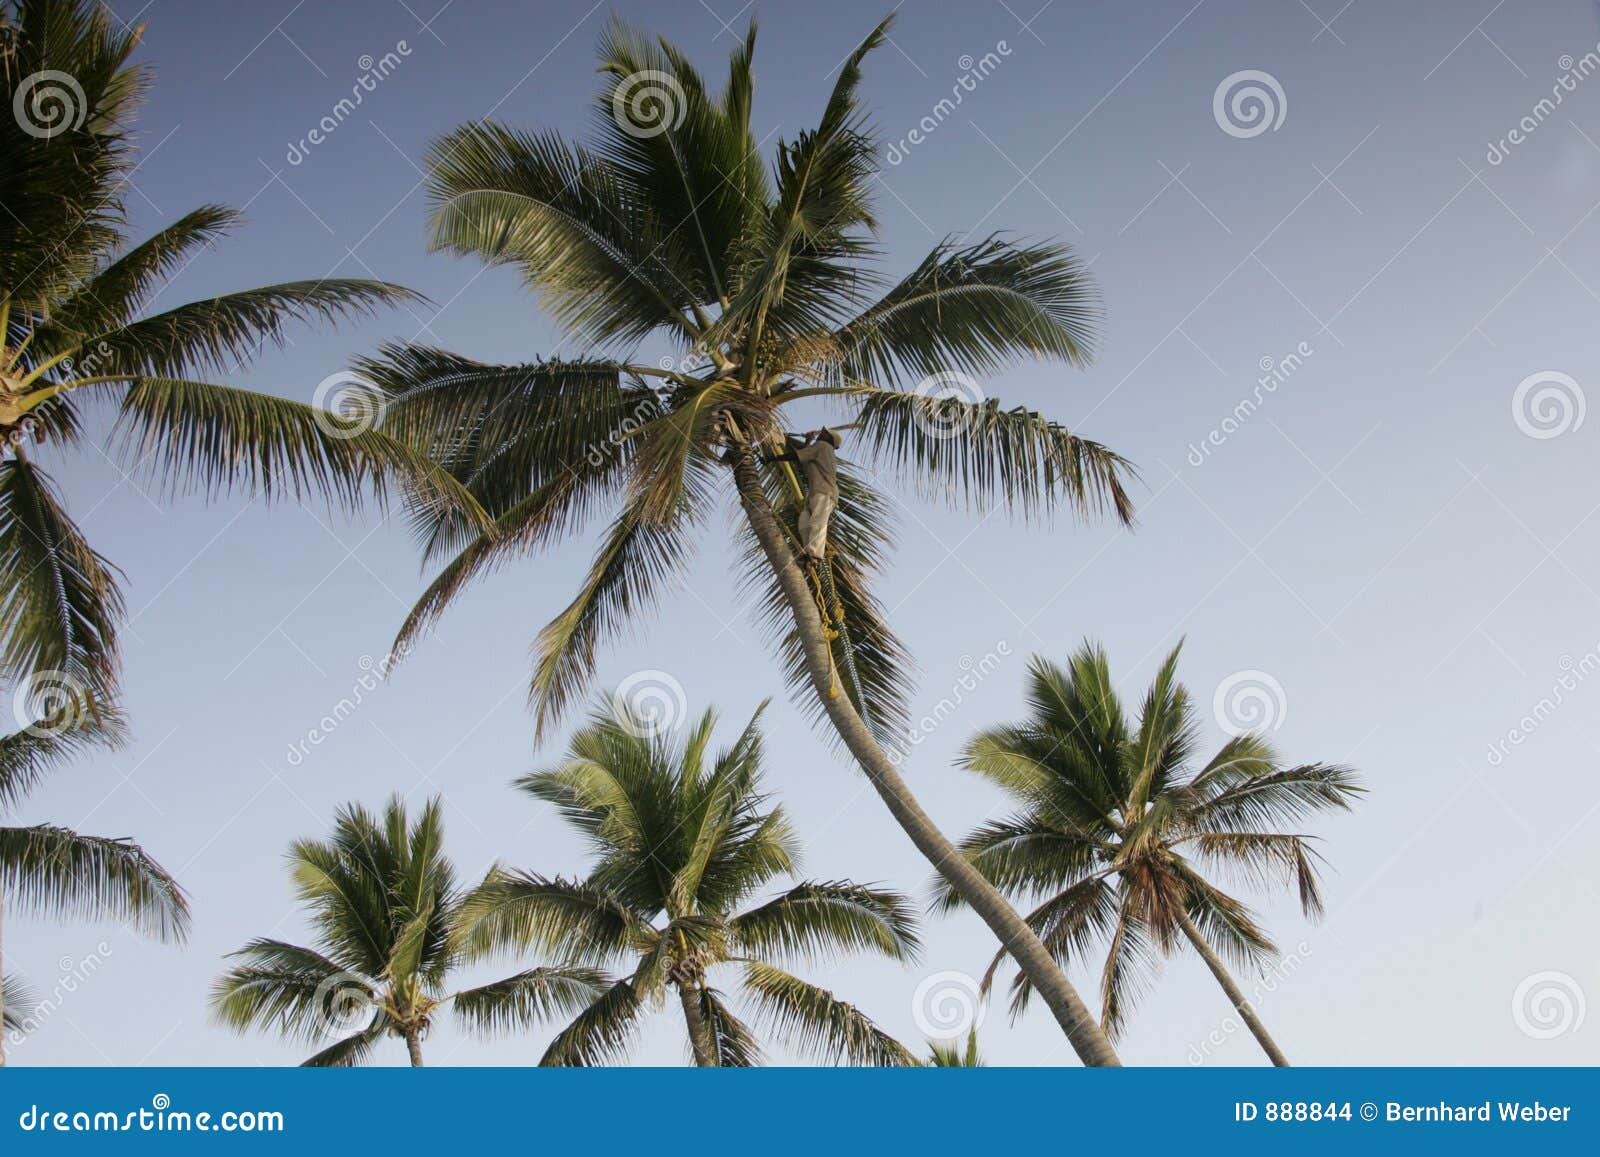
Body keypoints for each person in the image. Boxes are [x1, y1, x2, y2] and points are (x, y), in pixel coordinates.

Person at [771, 428, 841, 560]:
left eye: (824, 433)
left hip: (825, 492)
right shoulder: (820, 451)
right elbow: (804, 458)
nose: (821, 433)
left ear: (829, 439)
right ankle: (808, 554)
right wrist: (807, 442)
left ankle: (815, 554)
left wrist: (772, 458)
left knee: (817, 523)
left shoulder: (823, 446)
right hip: (816, 493)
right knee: (804, 523)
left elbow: (796, 456)